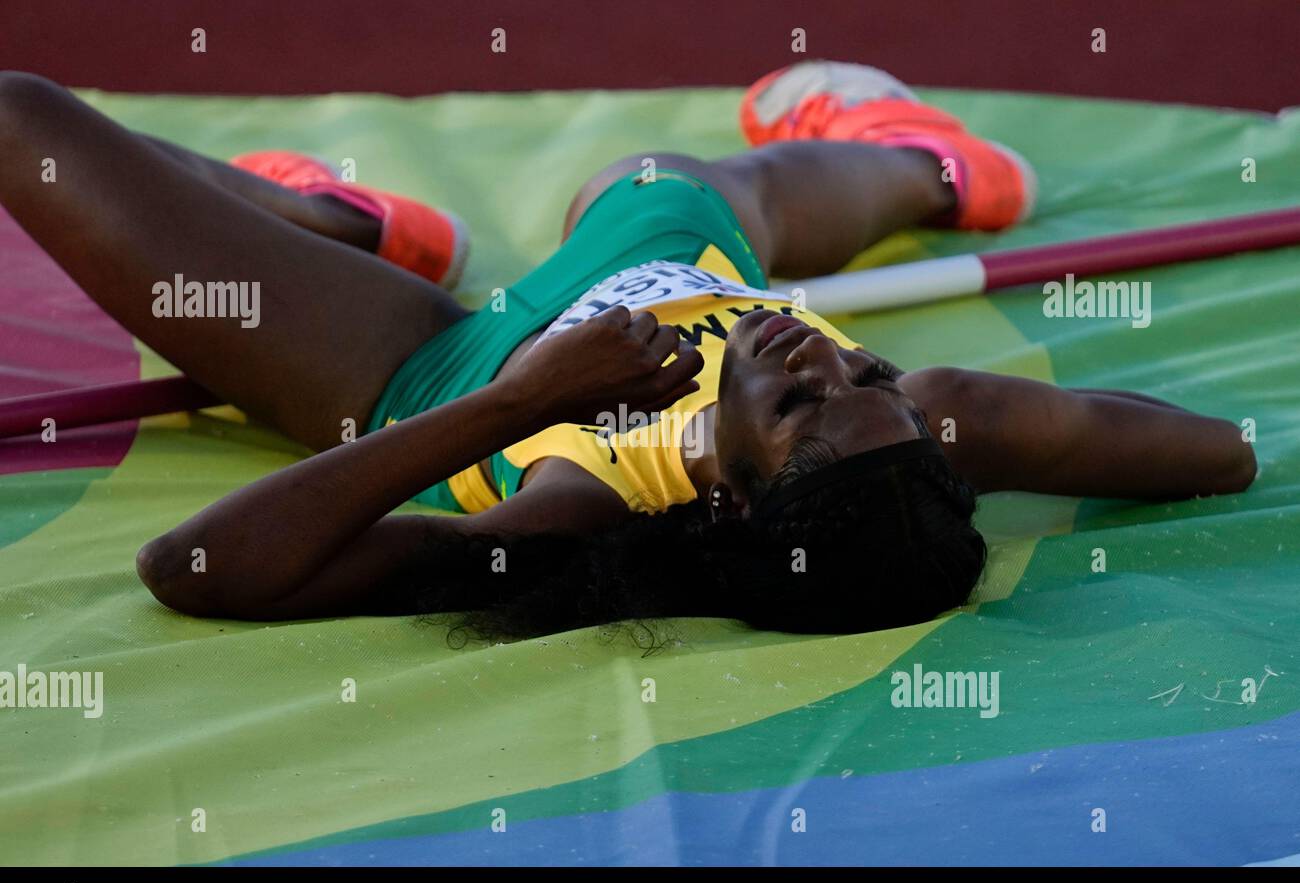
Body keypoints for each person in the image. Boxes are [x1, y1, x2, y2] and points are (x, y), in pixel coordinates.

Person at [0, 62, 1256, 636]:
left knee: (25, 120)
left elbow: (197, 565)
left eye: (792, 406)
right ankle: (922, 160)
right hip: (655, 261)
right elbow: (1217, 454)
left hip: (399, 379)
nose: (820, 362)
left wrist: (519, 400)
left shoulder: (577, 502)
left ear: (739, 495)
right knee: (658, 177)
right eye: (861, 373)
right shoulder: (922, 420)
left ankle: (340, 226)